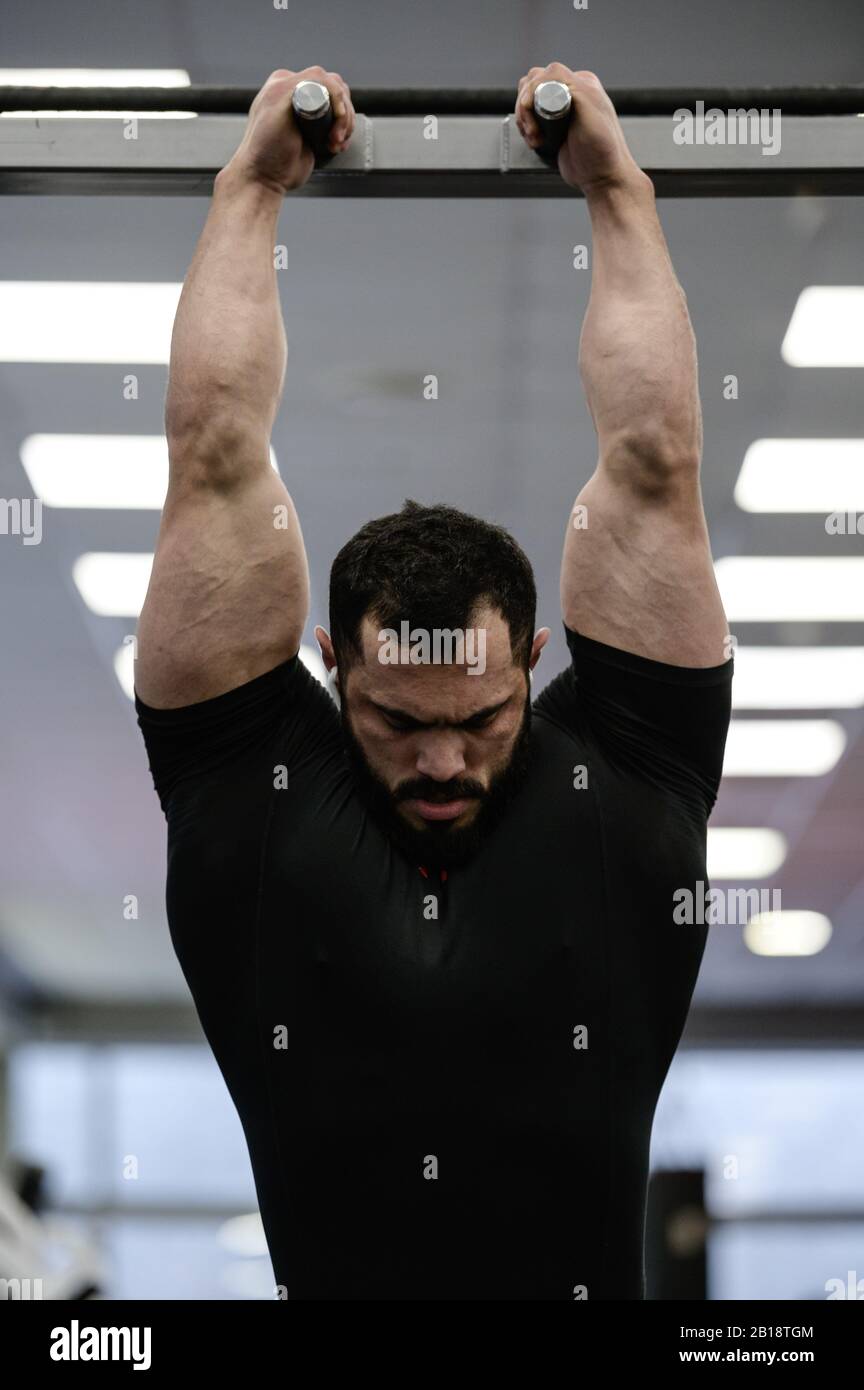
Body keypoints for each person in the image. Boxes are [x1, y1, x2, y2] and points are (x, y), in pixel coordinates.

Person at [134, 62, 732, 1300]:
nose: (445, 760)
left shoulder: (626, 777)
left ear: (534, 660)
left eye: (481, 718)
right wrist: (251, 184)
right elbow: (214, 457)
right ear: (330, 662)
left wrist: (617, 188)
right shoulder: (253, 791)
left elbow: (654, 461)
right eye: (399, 721)